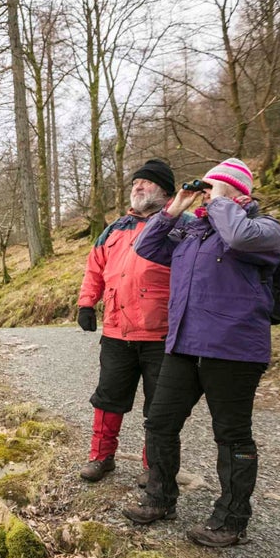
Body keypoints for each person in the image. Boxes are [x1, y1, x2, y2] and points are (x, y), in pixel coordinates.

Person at [122, 158, 280, 548]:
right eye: (206, 190)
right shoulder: (192, 232)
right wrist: (173, 209)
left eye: (213, 189)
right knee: (160, 423)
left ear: (234, 192)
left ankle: (232, 520)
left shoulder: (265, 229)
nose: (206, 196)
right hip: (184, 345)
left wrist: (223, 200)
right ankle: (159, 499)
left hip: (234, 351)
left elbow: (240, 238)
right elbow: (145, 245)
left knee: (231, 436)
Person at [76, 159, 175, 483]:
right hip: (117, 331)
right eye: (135, 183)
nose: (137, 187)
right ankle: (101, 457)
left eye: (145, 183)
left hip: (161, 334)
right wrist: (87, 304)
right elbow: (95, 268)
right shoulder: (115, 228)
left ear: (164, 191)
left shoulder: (178, 225)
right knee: (107, 397)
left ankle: (153, 467)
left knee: (159, 407)